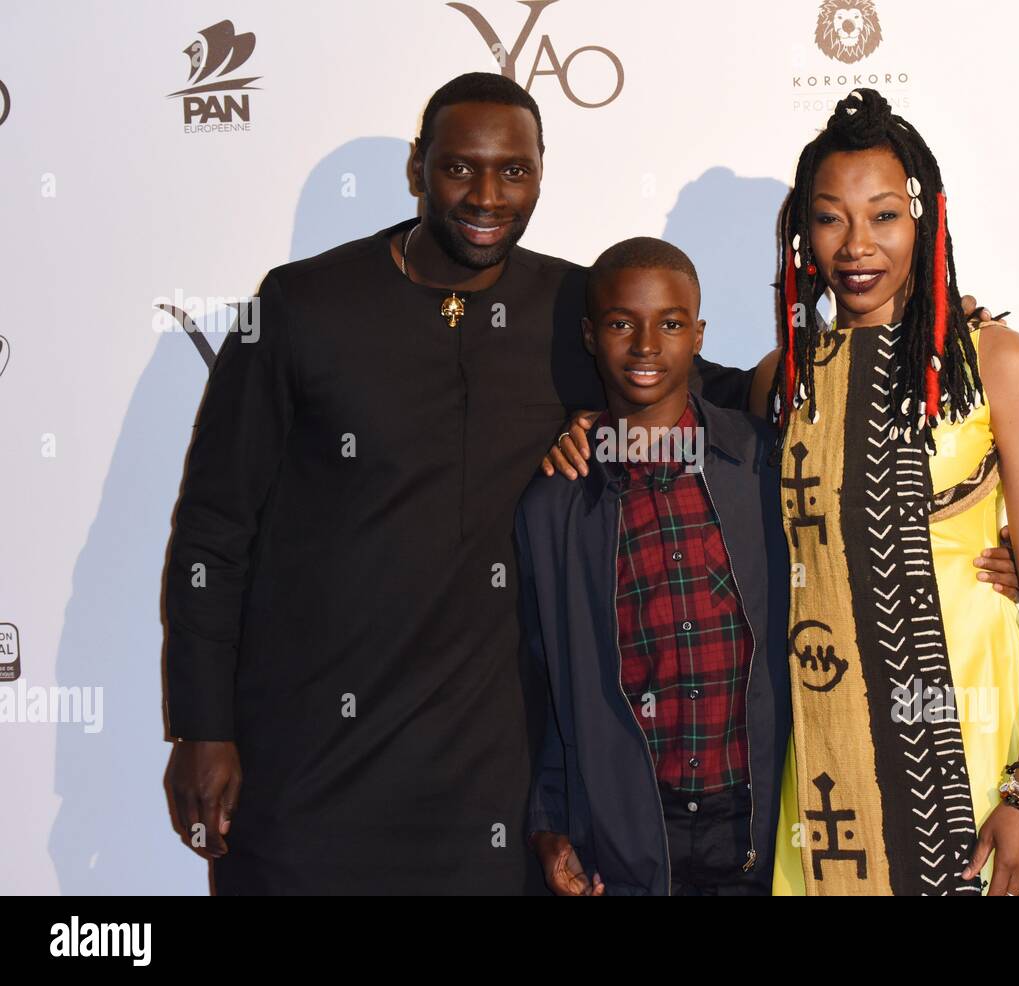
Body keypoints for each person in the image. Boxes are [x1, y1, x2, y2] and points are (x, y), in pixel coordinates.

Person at [162, 73, 744, 894]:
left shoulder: (577, 309)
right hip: (308, 759)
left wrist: (908, 332)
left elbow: (715, 388)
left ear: (541, 174)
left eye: (514, 171)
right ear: (417, 168)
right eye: (459, 168)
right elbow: (215, 529)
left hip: (488, 780)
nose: (486, 194)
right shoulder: (302, 303)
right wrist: (200, 726)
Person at [751, 88, 1019, 896]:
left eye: (885, 215)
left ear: (924, 220)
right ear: (803, 234)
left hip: (973, 741)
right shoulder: (781, 381)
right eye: (831, 218)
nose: (858, 245)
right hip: (830, 760)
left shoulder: (994, 361)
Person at [517, 237, 791, 895]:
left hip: (762, 818)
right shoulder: (556, 503)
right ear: (590, 335)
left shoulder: (763, 462)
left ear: (697, 334)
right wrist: (552, 818)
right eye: (621, 324)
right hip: (632, 830)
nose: (645, 345)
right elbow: (552, 677)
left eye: (669, 324)